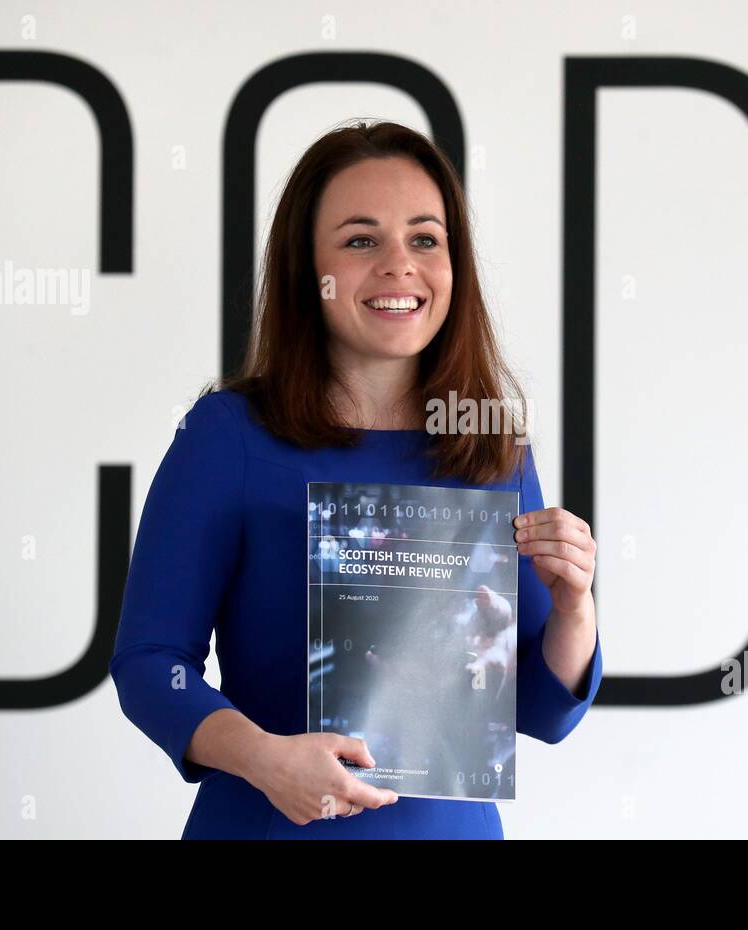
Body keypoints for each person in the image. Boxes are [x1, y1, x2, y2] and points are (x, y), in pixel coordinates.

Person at [109, 119, 603, 839]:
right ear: (310, 268)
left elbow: (538, 710)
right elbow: (150, 664)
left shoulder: (490, 443)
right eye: (361, 240)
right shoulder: (228, 434)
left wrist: (575, 609)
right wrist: (264, 758)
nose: (399, 266)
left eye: (425, 239)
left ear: (454, 264)